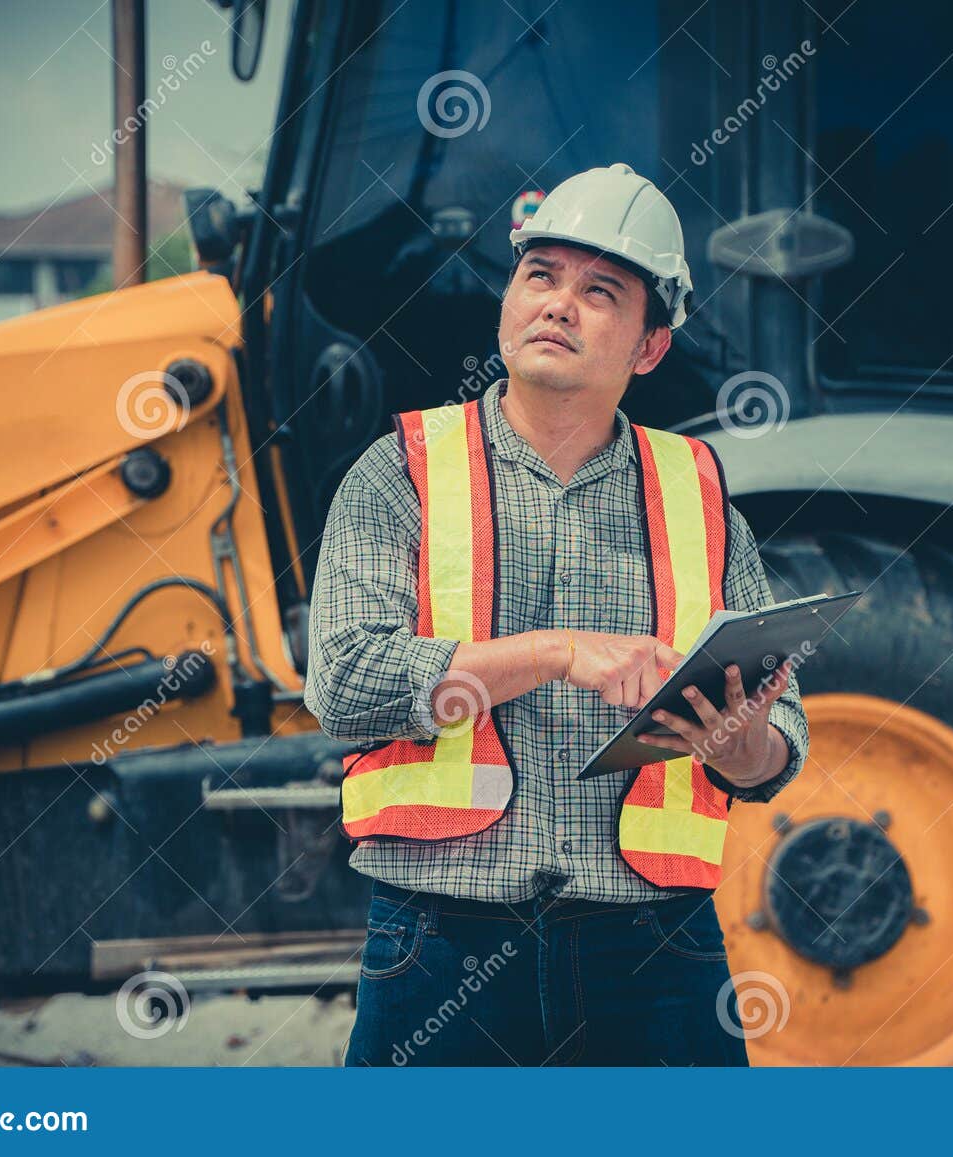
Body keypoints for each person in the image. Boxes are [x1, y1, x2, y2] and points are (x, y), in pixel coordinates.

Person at [305, 163, 809, 1066]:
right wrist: (555, 651)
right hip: (443, 941)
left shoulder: (699, 499)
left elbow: (780, 746)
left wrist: (741, 747)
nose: (559, 305)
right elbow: (342, 684)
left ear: (650, 347)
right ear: (507, 302)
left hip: (655, 948)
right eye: (540, 275)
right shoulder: (402, 471)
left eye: (600, 291)